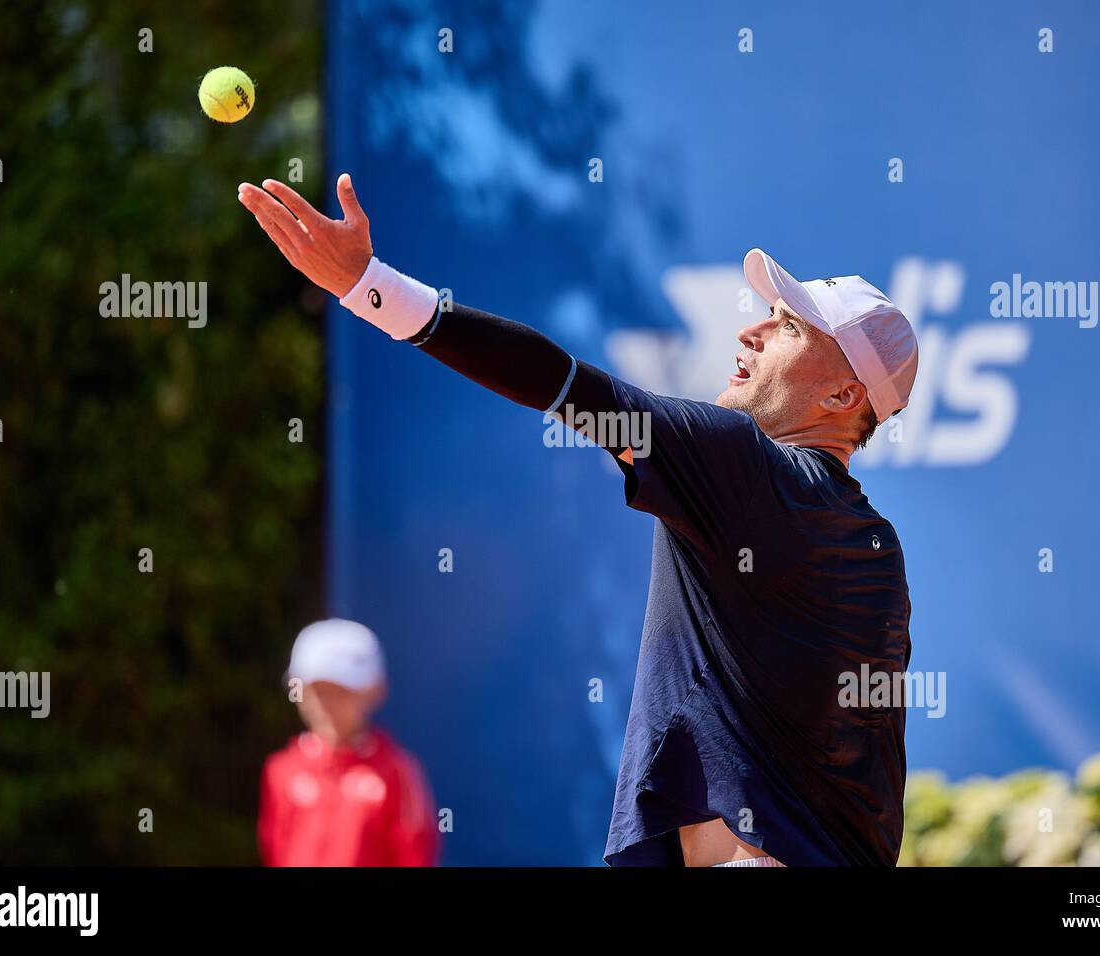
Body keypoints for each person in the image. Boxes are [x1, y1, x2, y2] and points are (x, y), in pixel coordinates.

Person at [238, 173, 918, 867]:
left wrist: (367, 285)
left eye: (790, 326)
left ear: (842, 393)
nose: (754, 328)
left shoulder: (747, 468)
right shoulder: (877, 548)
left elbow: (562, 383)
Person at [258, 618, 438, 867]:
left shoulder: (398, 773)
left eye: (341, 691)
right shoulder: (280, 770)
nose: (328, 703)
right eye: (317, 691)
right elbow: (275, 847)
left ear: (374, 690)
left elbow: (414, 854)